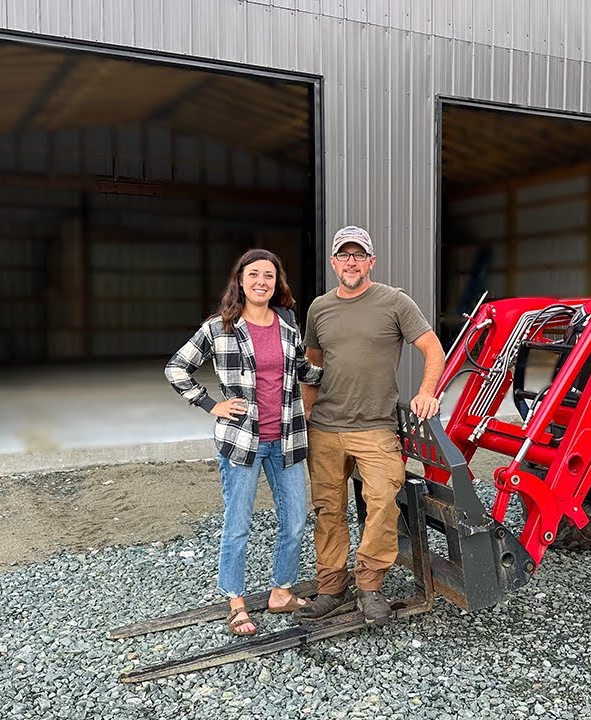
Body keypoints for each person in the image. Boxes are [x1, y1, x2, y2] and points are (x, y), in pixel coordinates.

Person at [165, 248, 322, 636]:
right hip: (241, 442)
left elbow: (304, 371)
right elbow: (176, 368)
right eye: (253, 274)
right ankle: (235, 602)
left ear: (277, 283)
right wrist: (211, 405)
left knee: (295, 521)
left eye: (269, 275)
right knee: (238, 525)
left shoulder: (287, 326)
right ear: (240, 280)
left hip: (285, 440)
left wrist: (347, 368)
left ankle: (281, 592)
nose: (261, 282)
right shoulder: (219, 328)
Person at [295, 226, 446, 627]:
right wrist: (305, 415)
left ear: (371, 262)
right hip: (325, 427)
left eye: (358, 255)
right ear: (333, 263)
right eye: (344, 255)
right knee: (328, 508)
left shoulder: (394, 301)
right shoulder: (319, 308)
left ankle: (369, 585)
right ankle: (332, 587)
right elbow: (313, 366)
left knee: (382, 502)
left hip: (375, 428)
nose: (351, 262)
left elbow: (433, 348)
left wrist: (427, 392)